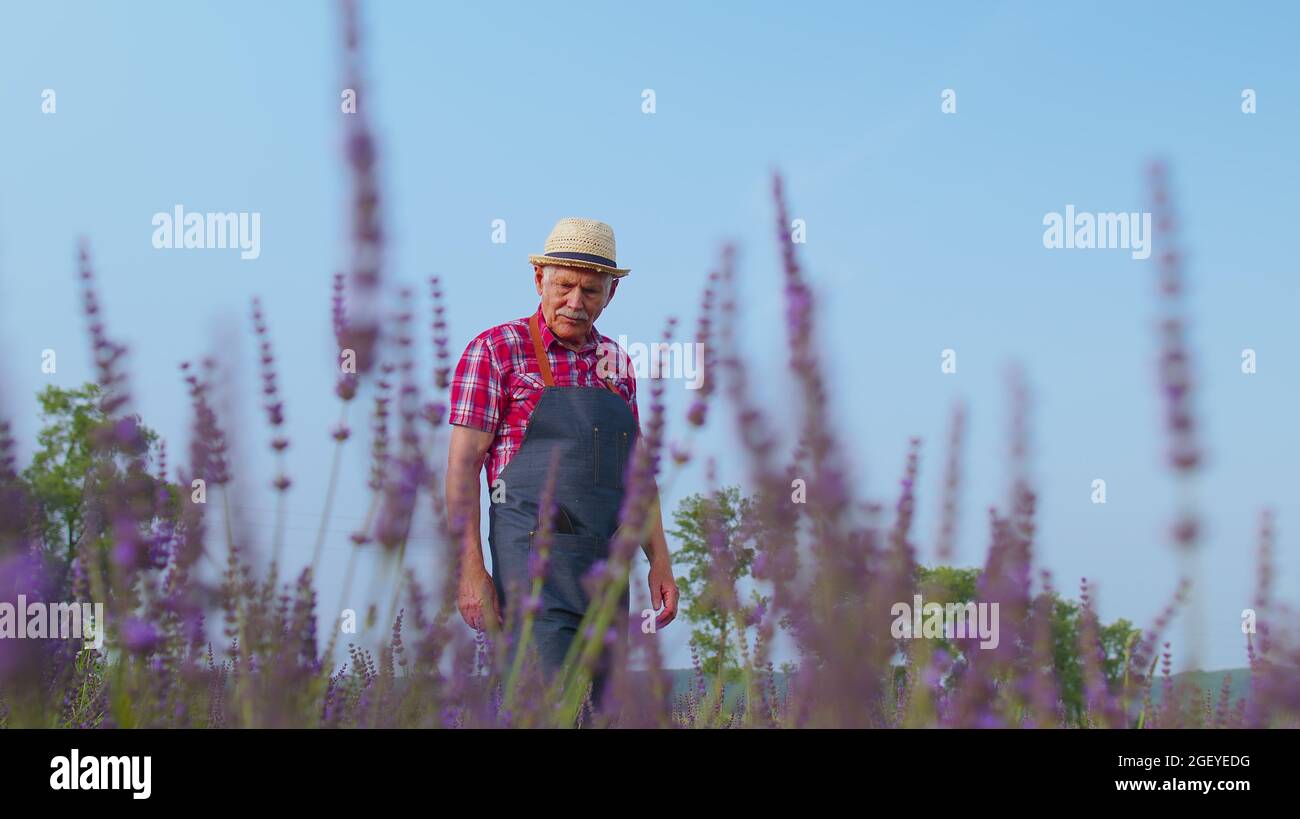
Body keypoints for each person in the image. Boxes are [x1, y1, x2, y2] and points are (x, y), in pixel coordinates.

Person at [445, 217, 678, 707]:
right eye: (565, 286)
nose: (576, 302)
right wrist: (470, 572)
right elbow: (462, 468)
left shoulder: (617, 362)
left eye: (591, 291)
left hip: (605, 567)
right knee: (539, 704)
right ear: (539, 280)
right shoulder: (495, 350)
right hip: (531, 569)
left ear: (611, 294)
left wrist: (660, 561)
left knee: (605, 710)